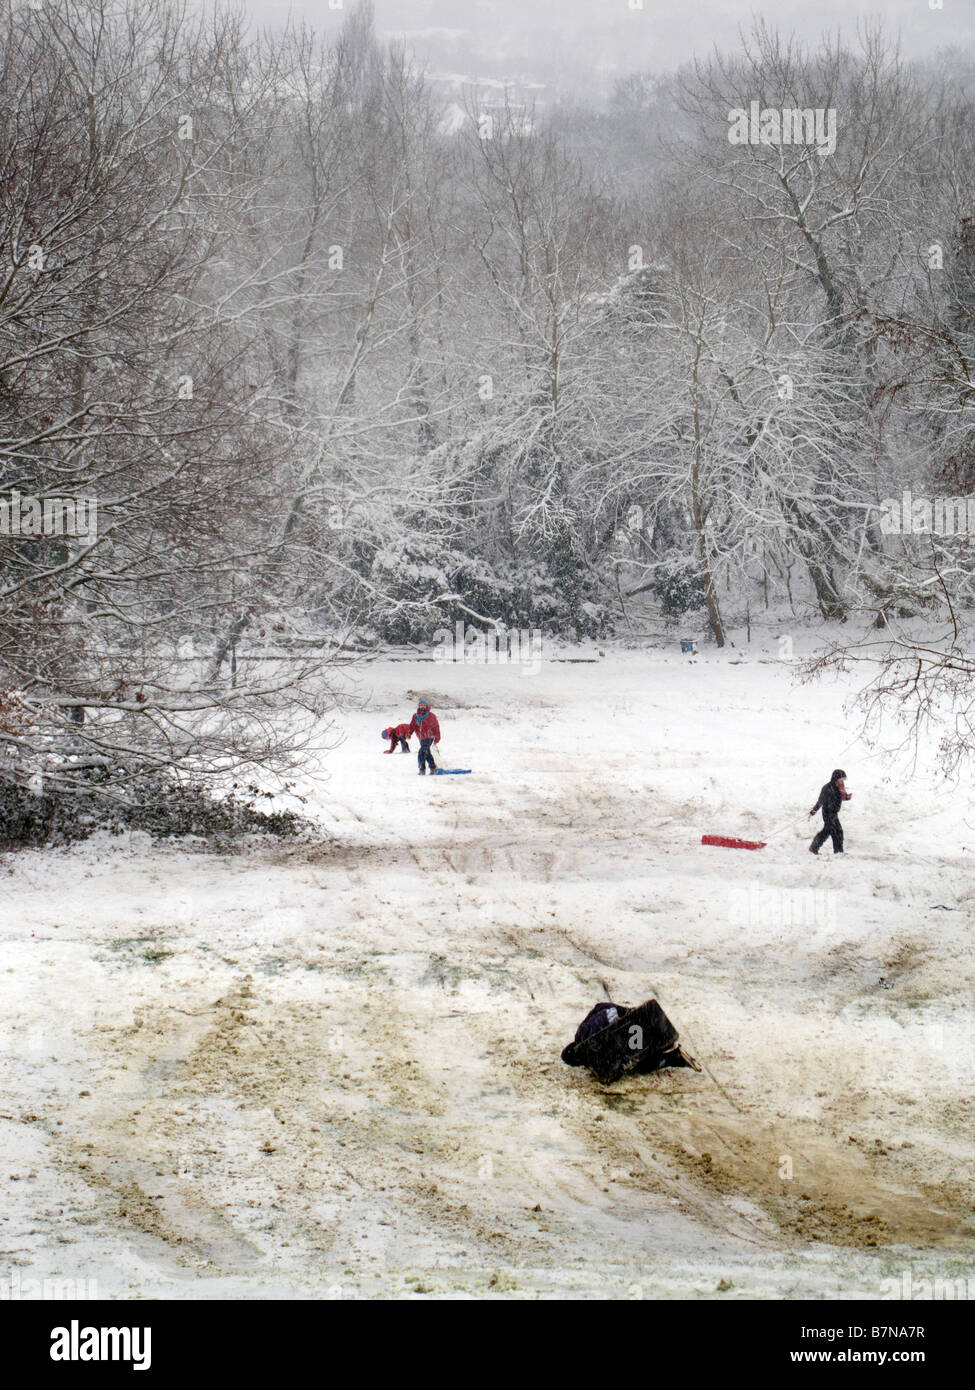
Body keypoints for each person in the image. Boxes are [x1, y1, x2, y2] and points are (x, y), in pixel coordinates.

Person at [809, 768, 852, 855]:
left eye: (843, 780)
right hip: (828, 813)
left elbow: (841, 797)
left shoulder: (839, 787)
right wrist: (814, 811)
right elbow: (820, 801)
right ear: (836, 778)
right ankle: (838, 851)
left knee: (828, 831)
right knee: (836, 831)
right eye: (841, 779)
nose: (842, 781)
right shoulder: (827, 788)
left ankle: (814, 848)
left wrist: (847, 797)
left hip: (834, 813)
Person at [407, 698, 441, 775]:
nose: (422, 707)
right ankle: (433, 768)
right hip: (421, 738)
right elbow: (412, 726)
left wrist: (437, 738)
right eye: (421, 705)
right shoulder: (415, 716)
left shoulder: (431, 716)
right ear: (419, 706)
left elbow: (436, 727)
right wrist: (409, 733)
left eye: (424, 705)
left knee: (421, 752)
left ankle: (422, 769)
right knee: (427, 753)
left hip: (429, 736)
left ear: (426, 706)